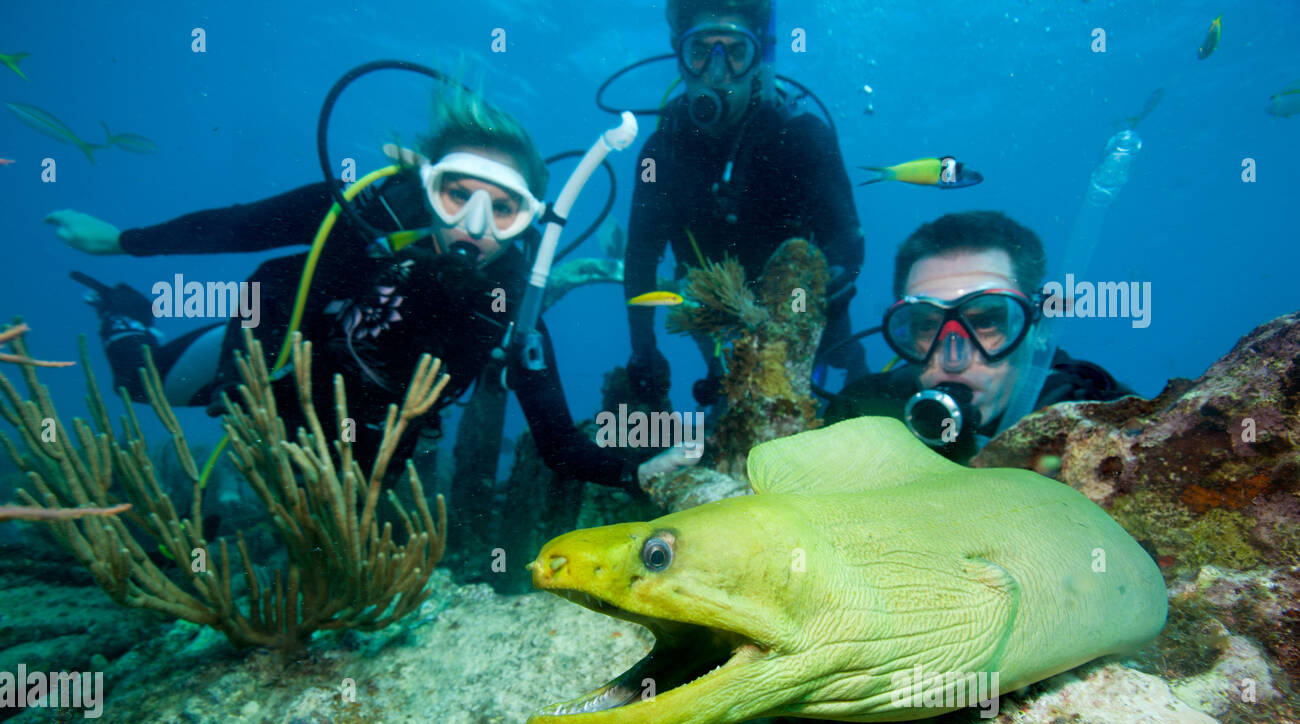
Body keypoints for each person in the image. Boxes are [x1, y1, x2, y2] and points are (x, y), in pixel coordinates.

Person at [45, 86, 691, 493]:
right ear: (426, 183)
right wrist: (121, 240)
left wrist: (636, 473)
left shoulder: (511, 316)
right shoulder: (364, 213)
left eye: (503, 210)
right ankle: (125, 317)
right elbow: (238, 225)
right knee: (138, 382)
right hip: (259, 380)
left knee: (340, 517)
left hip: (362, 457)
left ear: (530, 223)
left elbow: (560, 447)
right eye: (457, 195)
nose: (473, 227)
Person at [624, 0, 866, 407]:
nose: (717, 74)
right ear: (678, 53)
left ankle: (853, 369)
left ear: (760, 58)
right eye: (700, 51)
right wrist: (643, 348)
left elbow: (847, 243)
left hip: (805, 318)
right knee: (731, 407)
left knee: (835, 396)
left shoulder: (803, 137)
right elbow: (641, 257)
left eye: (736, 53)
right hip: (718, 321)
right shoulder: (659, 153)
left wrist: (811, 307)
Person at [825, 210, 1132, 463]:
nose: (953, 360)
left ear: (1040, 328)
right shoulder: (862, 416)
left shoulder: (1107, 427)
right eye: (927, 326)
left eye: (986, 321)